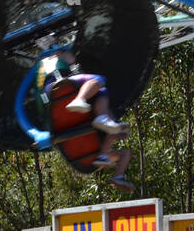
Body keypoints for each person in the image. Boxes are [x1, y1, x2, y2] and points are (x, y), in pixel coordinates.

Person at [40, 49, 134, 192]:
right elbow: (70, 61)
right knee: (100, 86)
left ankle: (116, 173)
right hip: (59, 86)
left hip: (61, 96)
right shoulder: (53, 64)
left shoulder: (52, 63)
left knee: (124, 149)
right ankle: (86, 105)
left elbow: (69, 60)